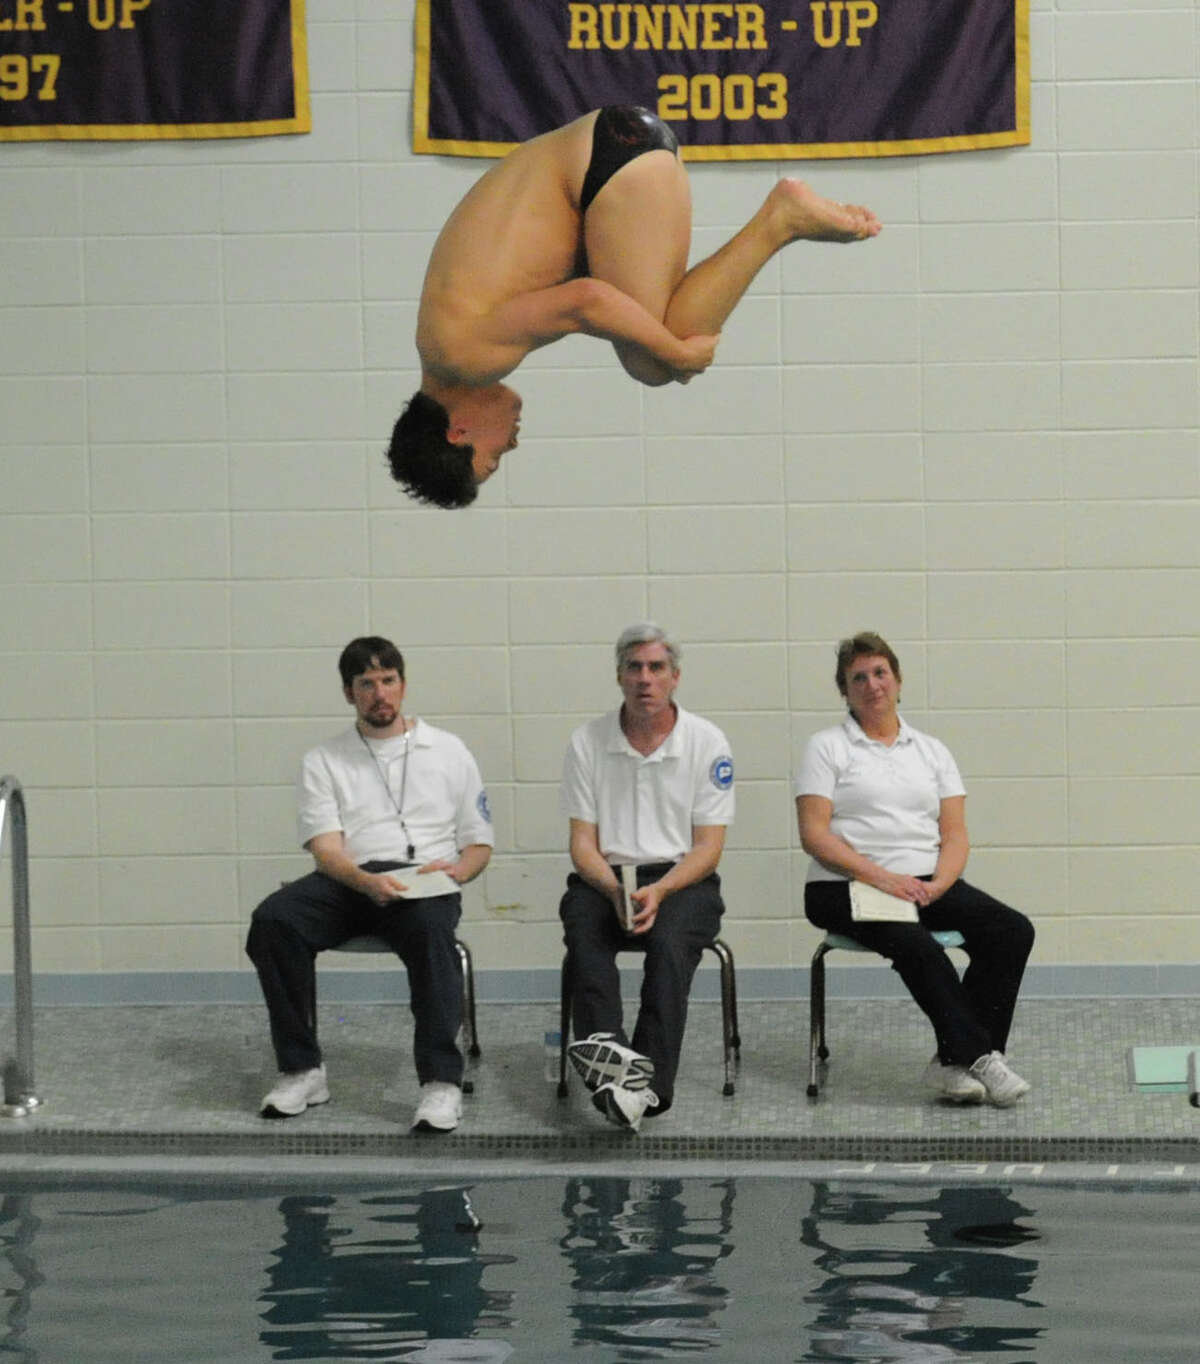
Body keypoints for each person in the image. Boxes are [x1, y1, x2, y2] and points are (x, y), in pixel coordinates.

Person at [389, 104, 881, 507]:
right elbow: (585, 297)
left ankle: (781, 219)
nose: (512, 444)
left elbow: (589, 300)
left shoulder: (461, 357)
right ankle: (780, 220)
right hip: (611, 148)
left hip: (608, 164)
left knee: (653, 362)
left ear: (458, 433)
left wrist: (677, 353)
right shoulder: (441, 345)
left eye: (494, 458)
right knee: (648, 345)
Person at [246, 636, 493, 1134]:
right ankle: (302, 1070)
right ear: (348, 693)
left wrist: (455, 875)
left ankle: (441, 1082)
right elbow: (326, 850)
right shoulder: (324, 759)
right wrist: (365, 882)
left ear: (403, 685)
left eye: (388, 681)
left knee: (430, 931)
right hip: (349, 879)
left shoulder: (449, 751)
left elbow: (479, 844)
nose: (379, 693)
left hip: (424, 878)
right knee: (274, 921)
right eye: (366, 684)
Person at [794, 631, 1035, 1107]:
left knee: (1011, 930)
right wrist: (884, 878)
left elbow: (955, 835)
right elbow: (815, 836)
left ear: (898, 680)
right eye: (857, 677)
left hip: (922, 883)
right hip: (844, 886)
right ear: (845, 690)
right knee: (917, 945)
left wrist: (939, 884)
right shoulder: (826, 748)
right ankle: (983, 1058)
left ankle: (951, 1061)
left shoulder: (931, 750)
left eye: (880, 673)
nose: (872, 684)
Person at [560, 622, 734, 1131]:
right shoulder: (586, 741)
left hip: (682, 879)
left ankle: (646, 1089)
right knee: (585, 936)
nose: (645, 679)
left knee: (668, 947)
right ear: (618, 676)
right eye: (634, 668)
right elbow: (581, 844)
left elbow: (709, 847)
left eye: (656, 668)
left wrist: (659, 890)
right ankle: (611, 1064)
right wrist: (615, 889)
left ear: (675, 677)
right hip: (604, 876)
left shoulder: (707, 741)